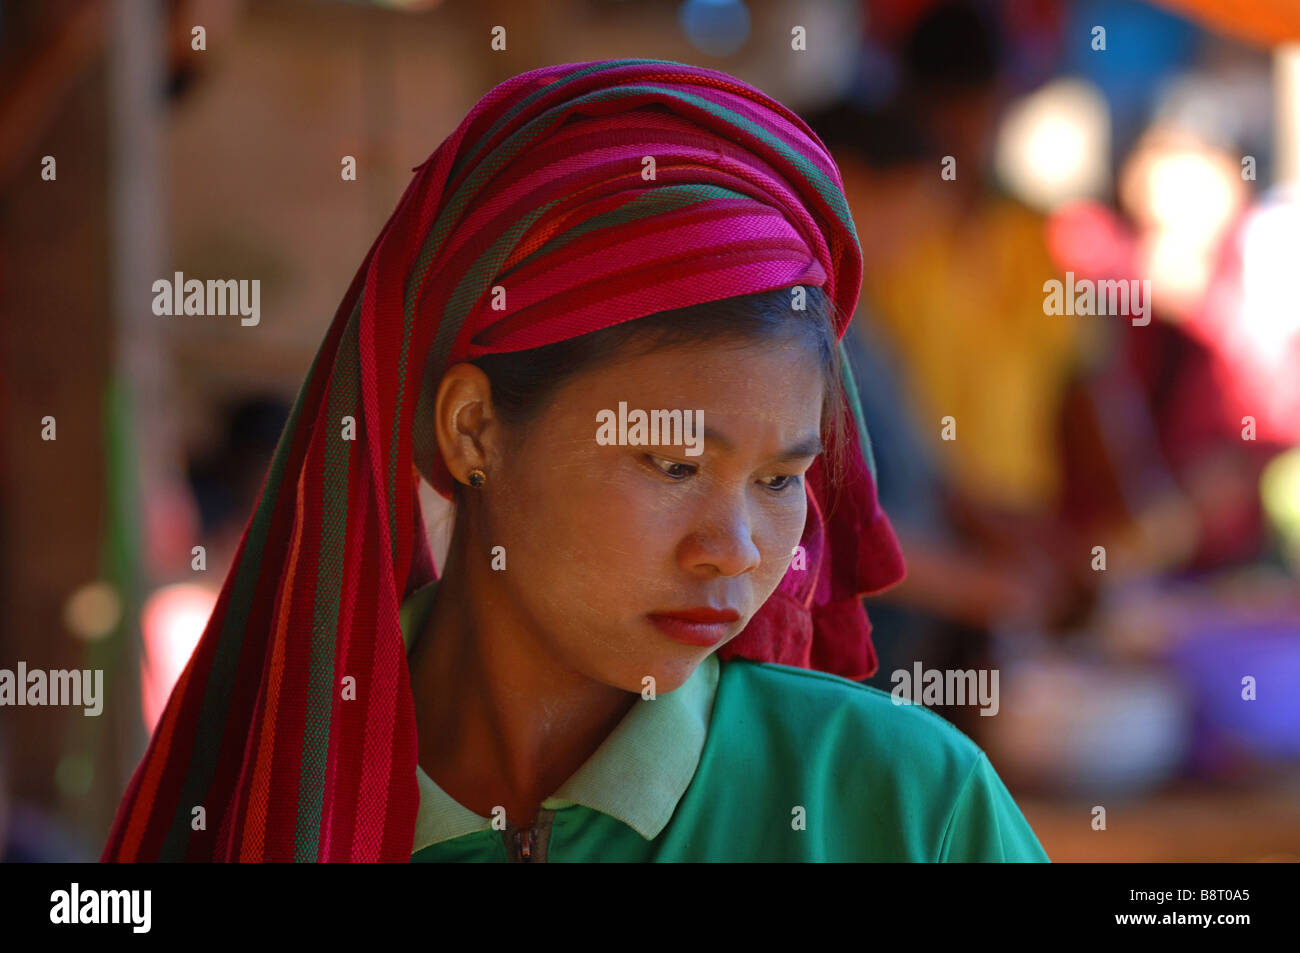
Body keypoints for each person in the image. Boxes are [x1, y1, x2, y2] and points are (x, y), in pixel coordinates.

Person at [101, 58, 1049, 862]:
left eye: (779, 479)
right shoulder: (262, 807)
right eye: (673, 465)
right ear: (474, 429)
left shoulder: (903, 809)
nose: (736, 549)